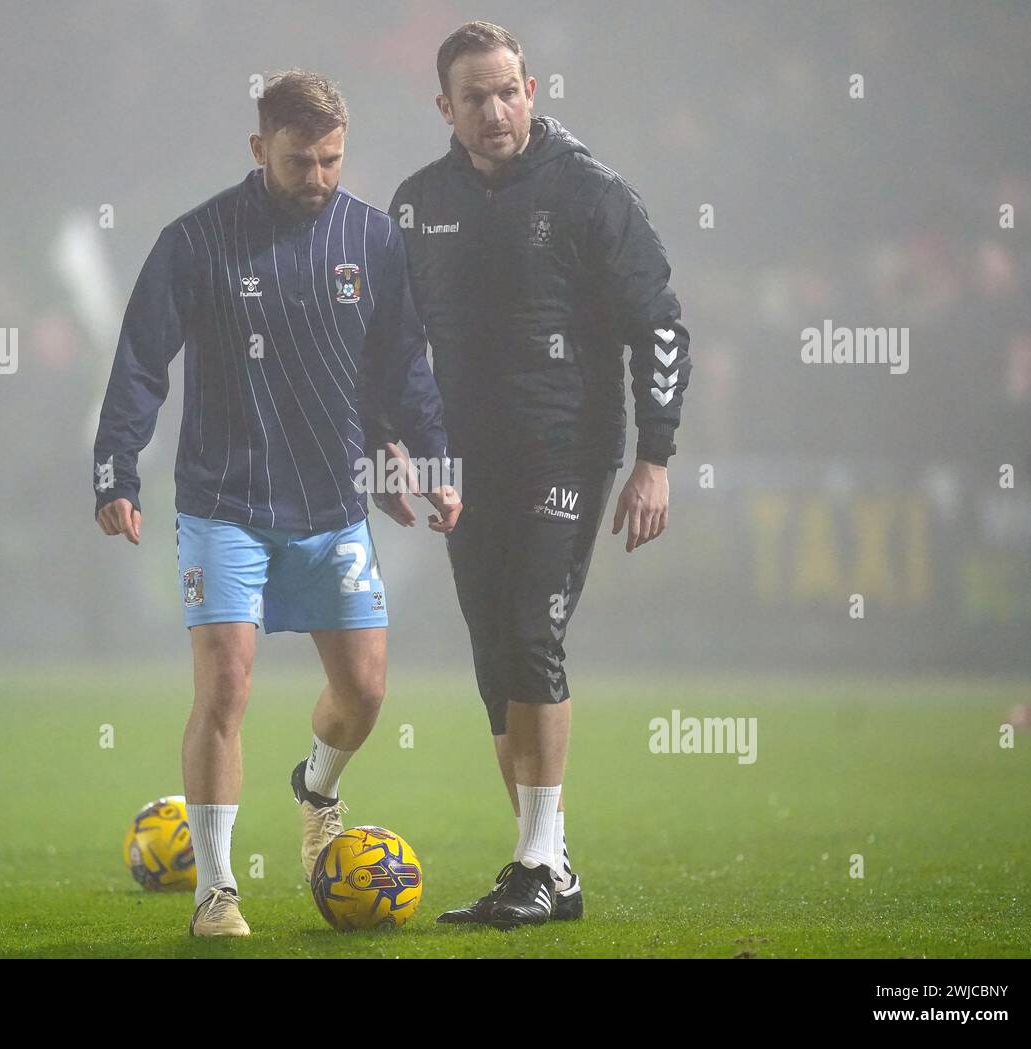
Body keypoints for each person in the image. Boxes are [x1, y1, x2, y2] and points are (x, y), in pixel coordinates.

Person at [91, 71, 459, 938]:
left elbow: (400, 363)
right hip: (224, 501)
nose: (320, 176)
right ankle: (215, 889)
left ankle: (316, 789)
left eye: (332, 159)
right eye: (300, 161)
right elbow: (142, 358)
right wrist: (117, 468)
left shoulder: (373, 239)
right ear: (260, 150)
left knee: (365, 693)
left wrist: (432, 460)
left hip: (333, 505)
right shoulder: (198, 240)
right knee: (226, 687)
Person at [369, 22, 692, 928]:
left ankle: (538, 862)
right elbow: (391, 346)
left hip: (566, 450)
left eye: (508, 90)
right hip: (462, 466)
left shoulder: (591, 194)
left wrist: (654, 457)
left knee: (530, 626)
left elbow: (660, 325)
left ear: (533, 88)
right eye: (475, 97)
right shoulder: (415, 206)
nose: (496, 109)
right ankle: (545, 866)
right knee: (491, 651)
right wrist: (391, 445)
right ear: (445, 108)